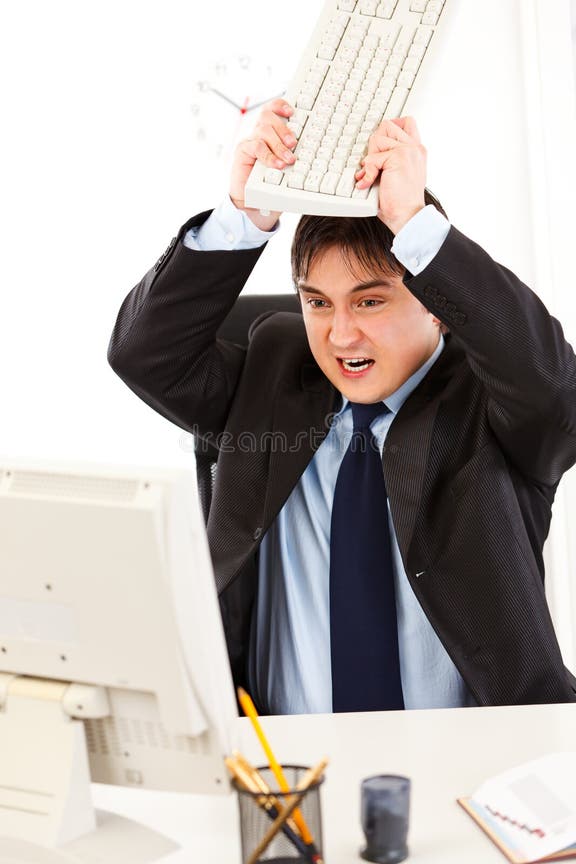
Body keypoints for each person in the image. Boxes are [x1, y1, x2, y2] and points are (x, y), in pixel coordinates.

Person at [108, 99, 576, 714]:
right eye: (319, 303)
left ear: (434, 300)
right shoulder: (275, 366)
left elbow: (555, 388)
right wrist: (243, 215)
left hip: (470, 758)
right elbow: (145, 353)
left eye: (370, 302)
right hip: (285, 763)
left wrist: (415, 226)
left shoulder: (490, 399)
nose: (341, 335)